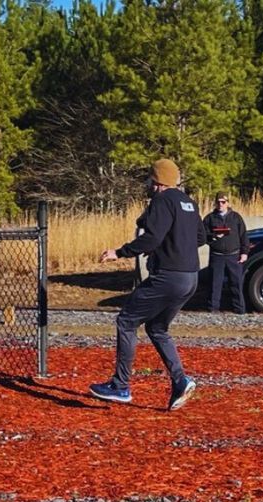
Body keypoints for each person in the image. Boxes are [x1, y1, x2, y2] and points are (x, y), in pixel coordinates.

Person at [90, 158, 207, 410]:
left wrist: (119, 252)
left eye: (149, 179)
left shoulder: (162, 201)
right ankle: (180, 381)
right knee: (157, 328)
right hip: (191, 277)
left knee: (126, 320)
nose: (147, 183)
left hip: (168, 276)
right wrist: (173, 246)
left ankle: (120, 386)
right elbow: (200, 237)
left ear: (157, 181)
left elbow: (151, 237)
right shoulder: (189, 203)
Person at [204, 191, 249, 313]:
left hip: (233, 255)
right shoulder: (209, 218)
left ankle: (239, 310)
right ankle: (213, 309)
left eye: (223, 202)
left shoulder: (236, 217)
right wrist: (213, 236)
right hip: (217, 255)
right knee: (215, 284)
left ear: (228, 203)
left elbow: (243, 235)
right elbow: (203, 236)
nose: (220, 204)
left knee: (236, 283)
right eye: (218, 202)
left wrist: (244, 252)